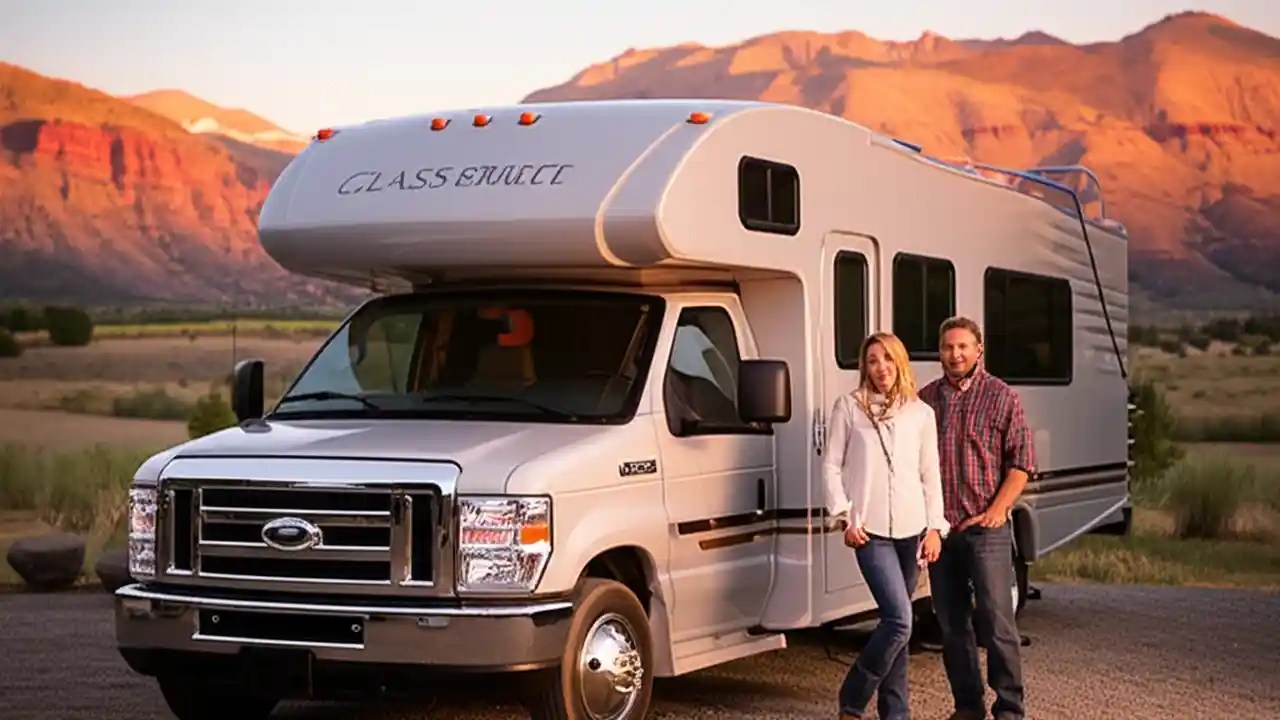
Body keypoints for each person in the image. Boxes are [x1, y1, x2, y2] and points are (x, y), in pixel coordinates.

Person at [823, 332, 949, 720]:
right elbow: (830, 465)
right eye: (873, 360)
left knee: (900, 627)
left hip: (912, 531)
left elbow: (930, 473)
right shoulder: (848, 407)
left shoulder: (920, 413)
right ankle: (853, 698)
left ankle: (896, 713)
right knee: (899, 620)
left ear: (900, 363)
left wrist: (934, 527)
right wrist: (844, 515)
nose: (881, 367)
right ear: (865, 366)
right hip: (869, 531)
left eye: (888, 359)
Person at [918, 316, 1036, 720]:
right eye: (949, 347)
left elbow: (1021, 463)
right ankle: (968, 707)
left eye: (963, 346)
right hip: (941, 530)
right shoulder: (925, 400)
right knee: (952, 627)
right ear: (940, 352)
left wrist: (997, 511)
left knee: (997, 622)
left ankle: (1009, 709)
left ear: (978, 350)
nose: (956, 354)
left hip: (986, 529)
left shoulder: (1002, 397)